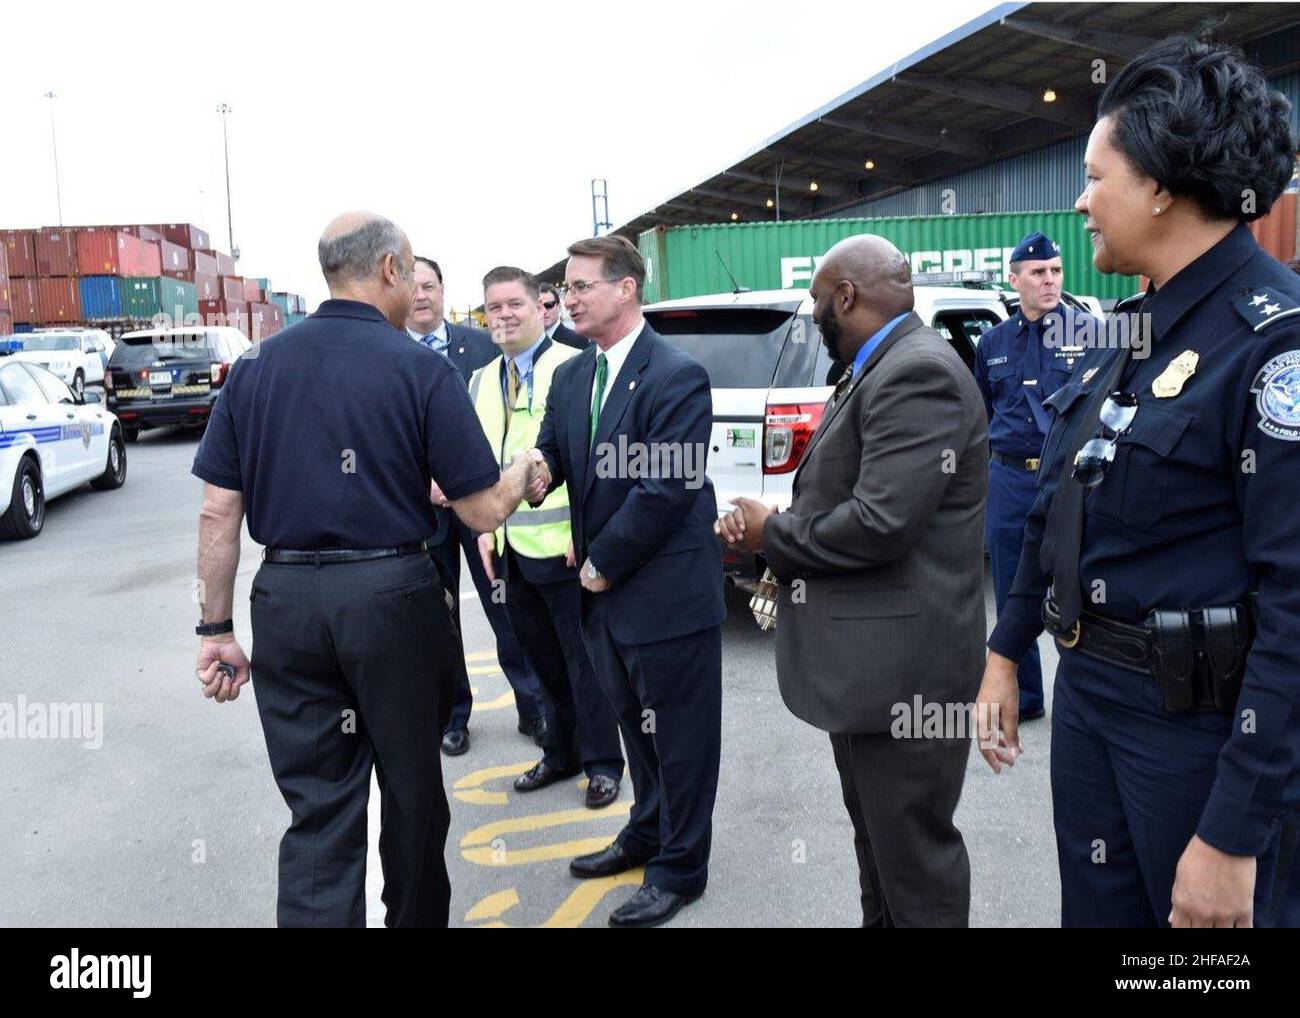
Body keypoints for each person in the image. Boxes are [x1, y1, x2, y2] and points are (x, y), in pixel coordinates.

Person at [976, 35, 1300, 928]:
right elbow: (1056, 503)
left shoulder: (1273, 346)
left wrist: (1234, 833)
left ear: (1160, 185)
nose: (1081, 202)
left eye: (1095, 176)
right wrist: (1006, 654)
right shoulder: (1134, 329)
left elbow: (1295, 607)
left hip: (1198, 736)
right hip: (1090, 702)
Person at [190, 211, 548, 927]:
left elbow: (217, 514)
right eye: (408, 272)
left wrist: (216, 629)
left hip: (287, 603)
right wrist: (523, 471)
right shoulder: (417, 366)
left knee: (318, 808)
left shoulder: (256, 368)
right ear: (387, 269)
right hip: (393, 600)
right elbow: (479, 511)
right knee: (413, 793)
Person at [717, 234, 989, 927]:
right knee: (882, 854)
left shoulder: (916, 372)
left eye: (816, 302)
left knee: (913, 868)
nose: (813, 317)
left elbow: (881, 524)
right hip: (874, 677)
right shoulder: (883, 365)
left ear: (846, 296)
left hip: (903, 680)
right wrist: (785, 519)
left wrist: (770, 534)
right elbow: (868, 497)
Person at [531, 235, 725, 927]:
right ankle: (646, 831)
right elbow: (555, 450)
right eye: (566, 288)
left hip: (662, 597)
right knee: (637, 733)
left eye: (582, 286)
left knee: (681, 740)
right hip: (603, 600)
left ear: (626, 289)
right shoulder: (571, 376)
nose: (569, 298)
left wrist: (600, 563)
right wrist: (537, 473)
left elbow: (665, 489)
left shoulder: (676, 376)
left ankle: (680, 868)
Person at [470, 265, 624, 809]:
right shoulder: (483, 380)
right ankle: (561, 752)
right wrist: (486, 529)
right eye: (494, 307)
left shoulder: (577, 367)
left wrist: (586, 534)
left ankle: (604, 763)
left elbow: (594, 462)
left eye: (515, 304)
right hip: (510, 548)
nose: (504, 315)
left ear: (542, 307)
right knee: (541, 660)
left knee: (583, 662)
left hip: (564, 546)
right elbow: (482, 463)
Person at [406, 256, 546, 755]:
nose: (420, 295)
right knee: (439, 620)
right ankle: (453, 717)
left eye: (429, 285)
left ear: (443, 291)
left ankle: (534, 708)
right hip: (425, 513)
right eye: (412, 286)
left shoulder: (483, 346)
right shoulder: (392, 354)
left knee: (506, 609)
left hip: (486, 504)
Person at [974, 232, 1099, 720]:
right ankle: (1023, 697)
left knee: (1081, 587)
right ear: (1015, 279)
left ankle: (1088, 697)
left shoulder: (1091, 332)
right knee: (1010, 590)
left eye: (1055, 271)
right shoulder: (992, 342)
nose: (1049, 281)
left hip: (1070, 479)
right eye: (1038, 273)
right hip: (1009, 480)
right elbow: (985, 409)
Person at [539, 281, 588, 349]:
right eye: (538, 307)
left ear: (559, 306)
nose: (544, 311)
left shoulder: (577, 340)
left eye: (549, 305)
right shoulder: (529, 342)